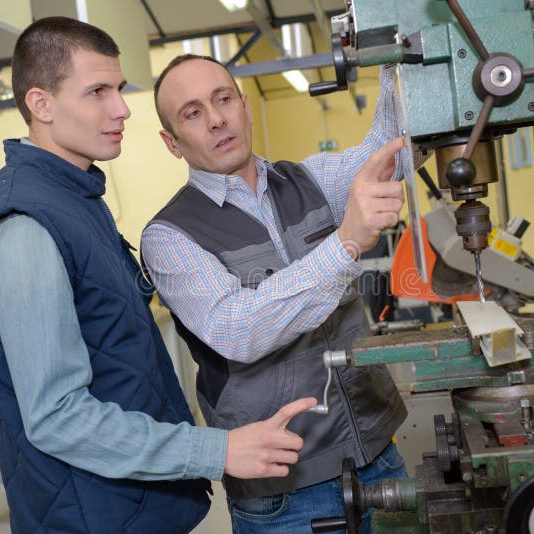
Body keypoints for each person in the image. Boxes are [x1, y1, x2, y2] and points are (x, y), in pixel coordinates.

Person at [0, 17, 317, 534]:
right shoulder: (24, 225)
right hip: (89, 515)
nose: (121, 108)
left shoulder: (75, 200)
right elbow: (58, 416)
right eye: (98, 91)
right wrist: (217, 449)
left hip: (128, 506)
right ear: (41, 104)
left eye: (119, 89)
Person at [142, 53, 410, 532]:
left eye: (223, 99)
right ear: (172, 143)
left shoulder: (310, 180)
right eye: (193, 112)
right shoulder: (169, 236)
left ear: (244, 106)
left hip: (378, 452)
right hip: (286, 496)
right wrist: (346, 241)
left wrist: (397, 54)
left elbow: (391, 152)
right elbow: (236, 328)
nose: (217, 119)